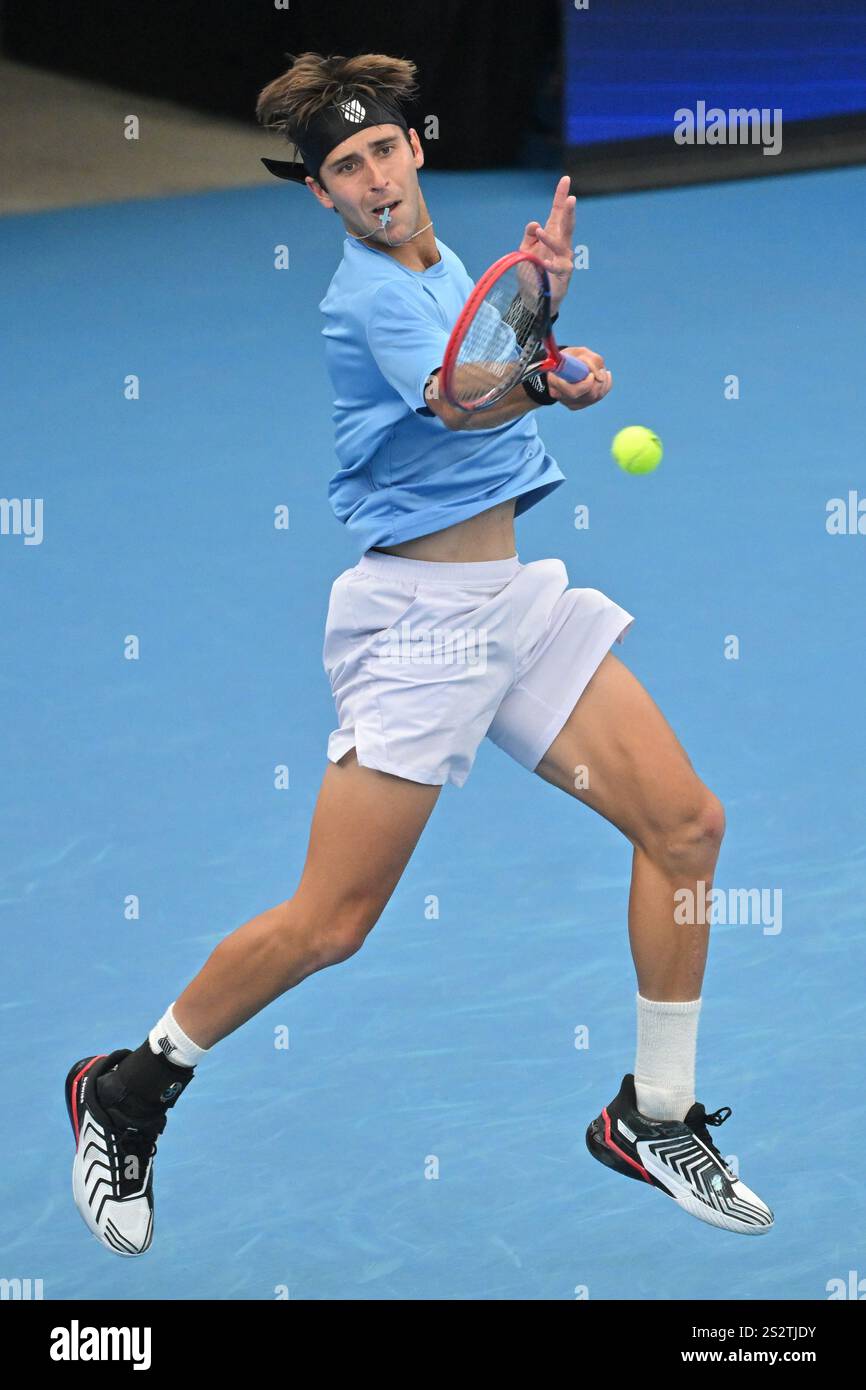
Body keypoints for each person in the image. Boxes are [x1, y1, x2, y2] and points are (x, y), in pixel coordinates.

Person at [65, 51, 772, 1258]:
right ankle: (128, 1089)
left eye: (384, 150)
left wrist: (552, 342)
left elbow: (497, 368)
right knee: (332, 923)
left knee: (686, 827)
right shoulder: (365, 297)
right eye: (346, 168)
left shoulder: (439, 263)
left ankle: (649, 1115)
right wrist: (543, 375)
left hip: (515, 602)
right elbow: (463, 399)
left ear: (414, 147)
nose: (375, 179)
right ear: (320, 196)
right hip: (418, 629)